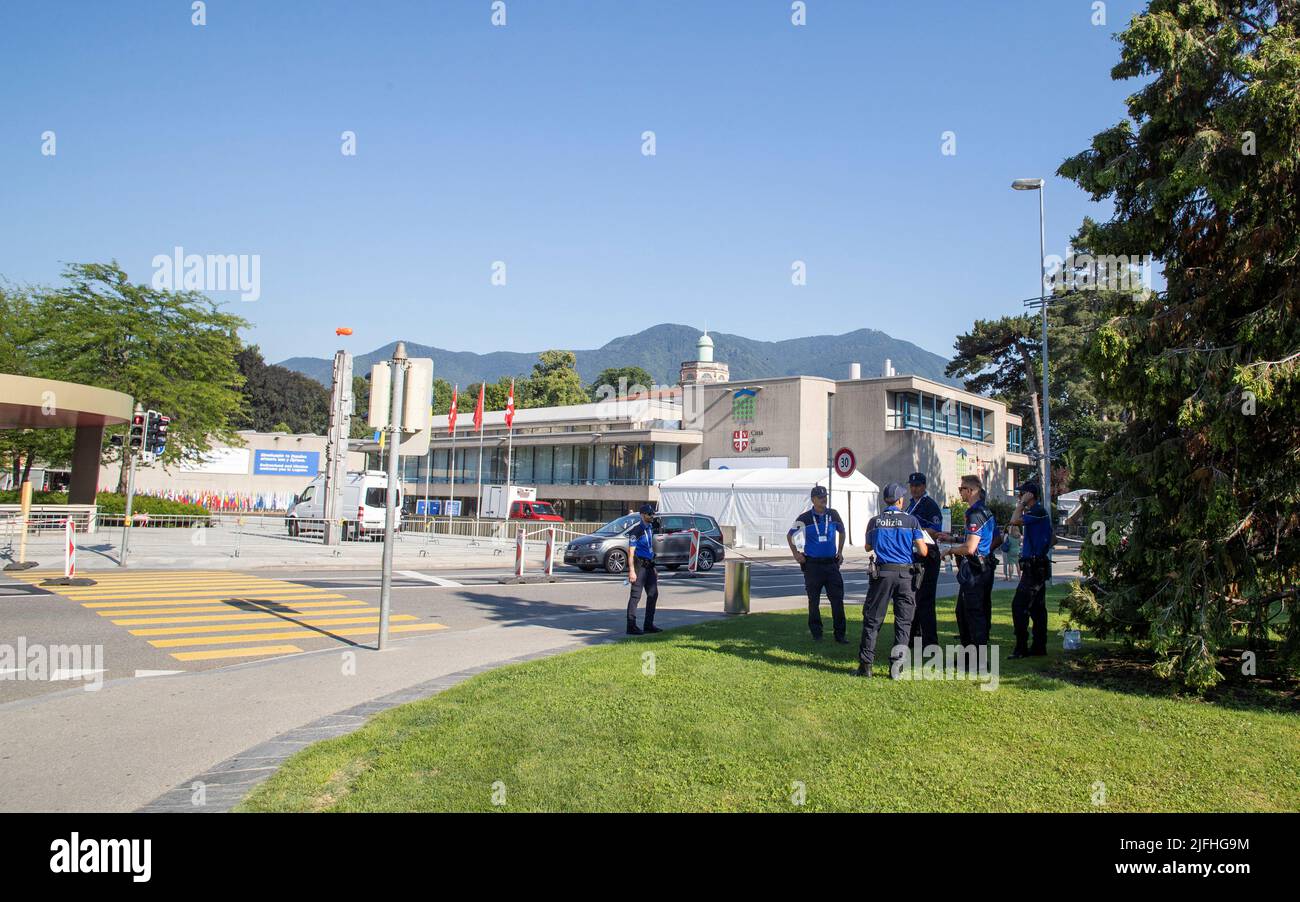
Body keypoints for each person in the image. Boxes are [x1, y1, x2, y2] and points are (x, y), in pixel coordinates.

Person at [857, 482, 929, 677]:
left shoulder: (875, 521)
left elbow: (867, 547)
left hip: (882, 574)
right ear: (899, 501)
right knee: (904, 622)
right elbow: (923, 550)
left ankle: (866, 666)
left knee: (873, 620)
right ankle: (896, 668)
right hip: (905, 575)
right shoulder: (911, 521)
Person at [941, 475, 997, 652]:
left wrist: (950, 550)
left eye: (962, 489)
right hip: (983, 566)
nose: (960, 492)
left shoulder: (975, 514)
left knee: (971, 614)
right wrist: (952, 538)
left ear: (971, 491)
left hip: (975, 570)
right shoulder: (985, 511)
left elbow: (970, 547)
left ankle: (975, 658)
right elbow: (982, 539)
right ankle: (970, 654)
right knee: (967, 612)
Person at [787, 485, 848, 643]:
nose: (824, 499)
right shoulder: (805, 517)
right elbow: (790, 535)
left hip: (831, 564)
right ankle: (817, 634)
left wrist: (840, 551)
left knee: (837, 600)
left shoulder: (833, 514)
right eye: (820, 497)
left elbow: (842, 531)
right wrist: (796, 553)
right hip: (813, 565)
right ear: (813, 499)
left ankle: (840, 635)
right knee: (813, 601)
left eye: (825, 496)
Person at [1009, 484, 1054, 658]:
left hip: (1034, 567)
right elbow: (1053, 538)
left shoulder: (1037, 511)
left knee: (1019, 605)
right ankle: (1039, 647)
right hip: (1037, 564)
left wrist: (1021, 504)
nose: (1019, 497)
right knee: (1037, 608)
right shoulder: (1039, 513)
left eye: (1021, 494)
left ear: (1030, 495)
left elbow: (1014, 520)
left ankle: (1021, 647)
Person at [904, 472, 943, 650]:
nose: (914, 489)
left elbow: (935, 530)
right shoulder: (911, 504)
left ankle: (930, 642)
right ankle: (913, 638)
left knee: (926, 601)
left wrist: (915, 532)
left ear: (924, 486)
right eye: (912, 486)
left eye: (917, 485)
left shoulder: (929, 505)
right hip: (914, 557)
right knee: (914, 599)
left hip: (928, 557)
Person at [625, 504, 661, 635]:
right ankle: (631, 626)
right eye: (649, 514)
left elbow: (649, 549)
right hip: (639, 566)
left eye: (652, 514)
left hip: (649, 565)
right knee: (635, 596)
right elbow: (631, 552)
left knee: (653, 594)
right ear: (642, 515)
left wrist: (654, 568)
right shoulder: (636, 531)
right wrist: (632, 571)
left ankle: (648, 624)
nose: (652, 516)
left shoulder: (650, 528)